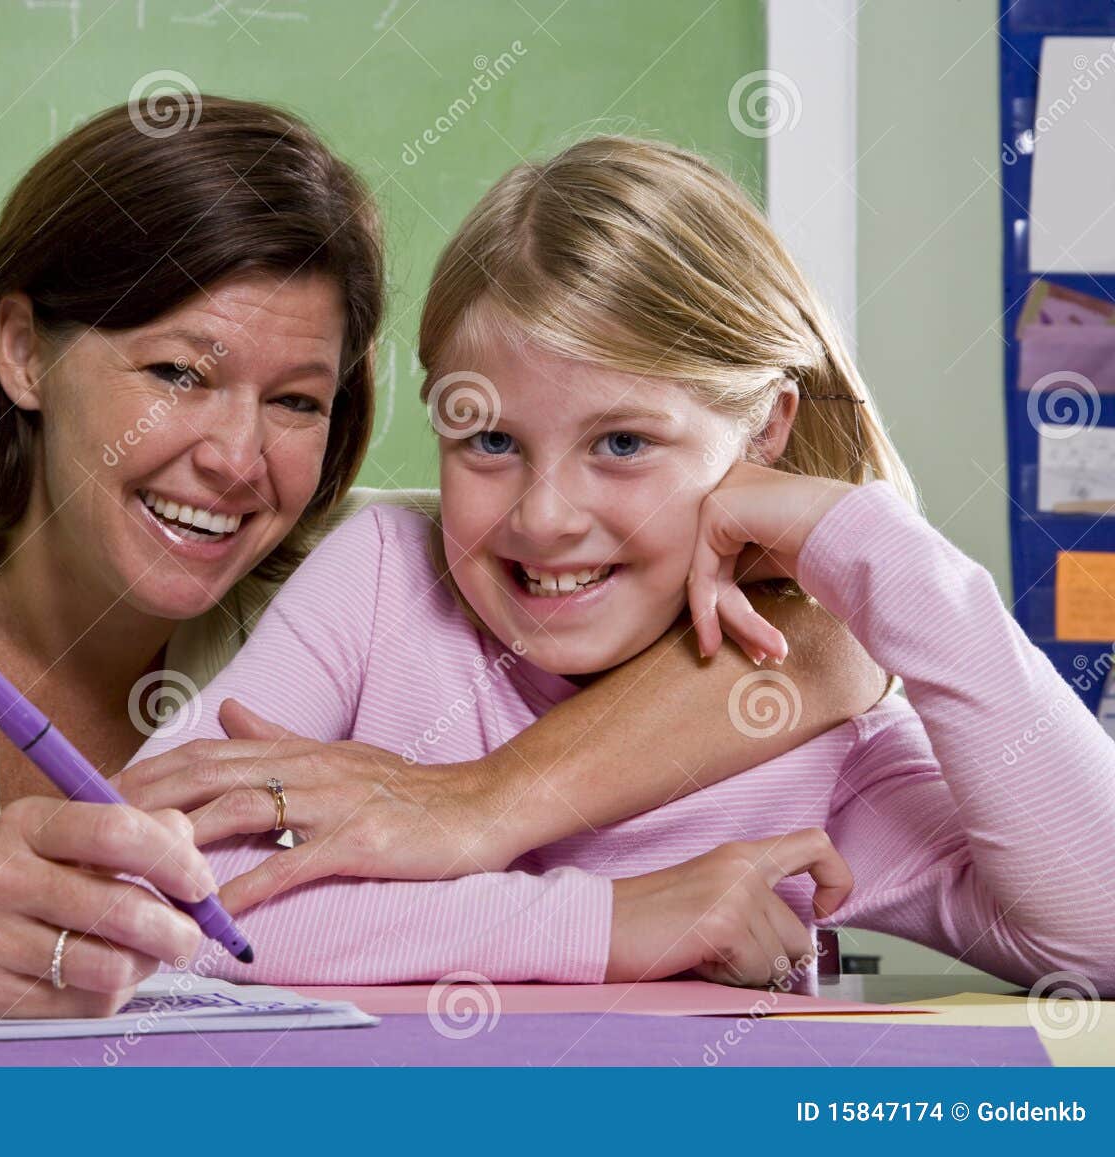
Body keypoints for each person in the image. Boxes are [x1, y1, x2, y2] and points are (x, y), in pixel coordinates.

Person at [0, 100, 879, 1019]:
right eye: (178, 372)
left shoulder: (387, 568)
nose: (239, 459)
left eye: (297, 400)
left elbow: (841, 621)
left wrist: (480, 799)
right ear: (23, 351)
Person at [127, 135, 1115, 993]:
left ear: (764, 432)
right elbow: (131, 900)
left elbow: (1099, 936)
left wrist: (875, 546)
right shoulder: (382, 581)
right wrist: (606, 921)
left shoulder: (809, 729)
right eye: (489, 440)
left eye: (624, 443)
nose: (545, 517)